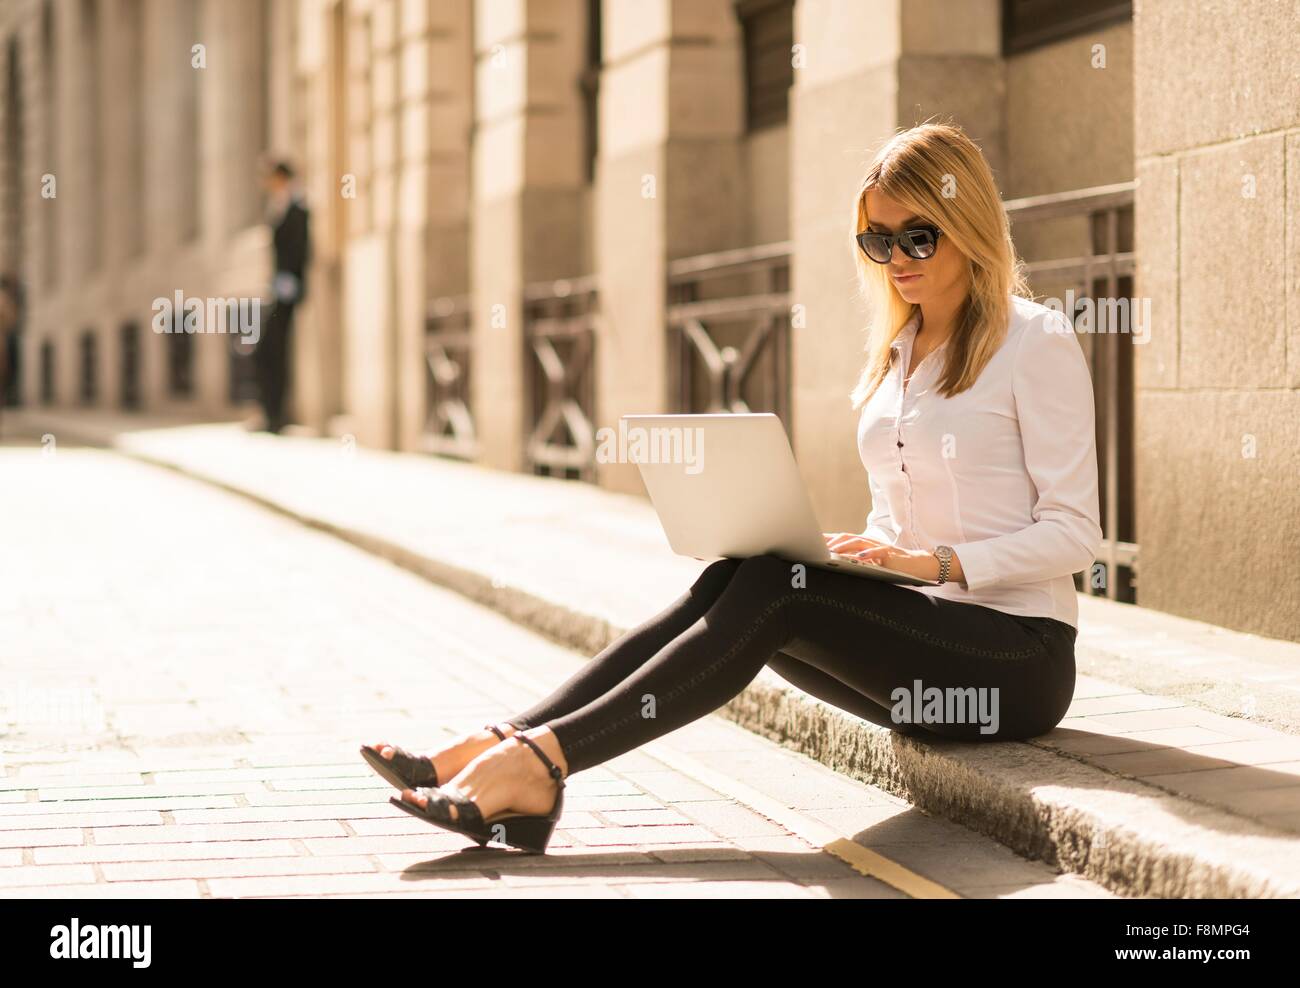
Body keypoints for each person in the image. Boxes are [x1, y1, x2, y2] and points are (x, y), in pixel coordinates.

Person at [364, 121, 1104, 854]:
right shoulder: (896, 357)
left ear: (967, 225)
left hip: (1019, 661)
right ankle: (514, 740)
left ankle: (536, 767)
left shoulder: (1033, 341)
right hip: (925, 642)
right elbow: (895, 518)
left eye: (918, 237)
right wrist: (863, 553)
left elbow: (1076, 533)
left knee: (779, 588)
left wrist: (936, 565)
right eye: (877, 241)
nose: (897, 259)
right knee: (740, 574)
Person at [255, 159, 310, 434]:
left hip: (287, 289)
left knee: (271, 348)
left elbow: (298, 251)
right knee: (268, 351)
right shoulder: (279, 205)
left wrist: (287, 287)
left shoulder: (297, 206)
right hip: (279, 287)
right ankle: (271, 414)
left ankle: (276, 416)